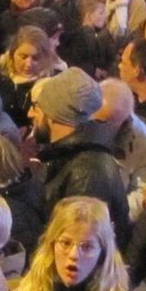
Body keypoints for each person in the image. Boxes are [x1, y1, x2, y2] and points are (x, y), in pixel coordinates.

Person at [29, 68, 132, 236]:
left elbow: (77, 241)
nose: (30, 113)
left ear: (55, 114)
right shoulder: (69, 155)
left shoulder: (86, 173)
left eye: (37, 108)